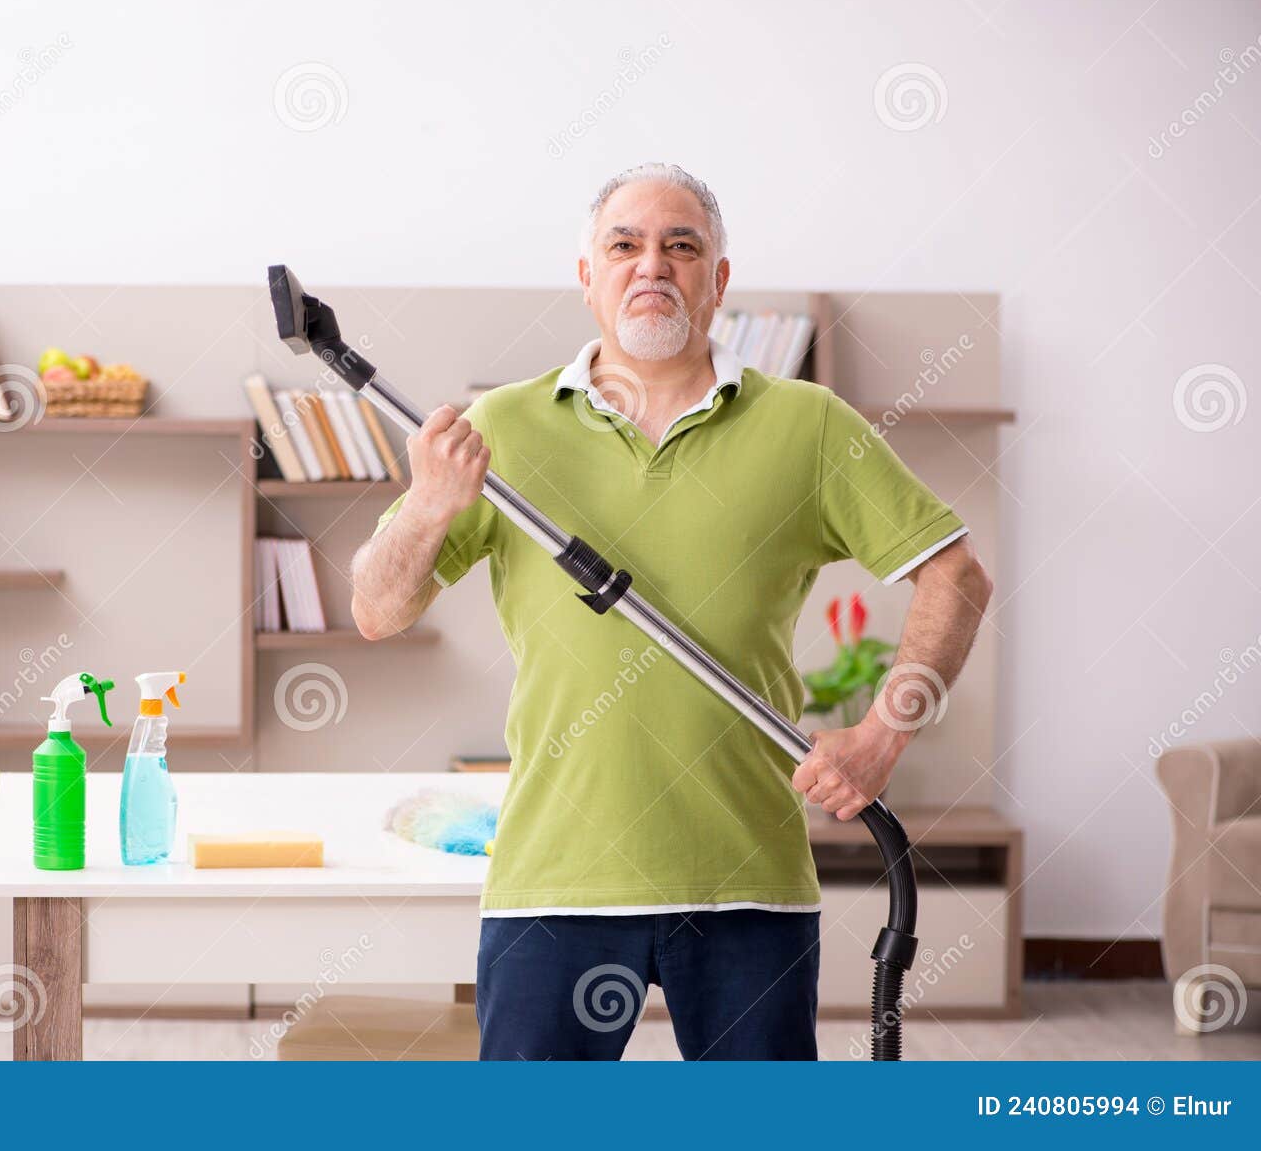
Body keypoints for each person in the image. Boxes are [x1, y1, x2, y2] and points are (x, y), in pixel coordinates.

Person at [349, 162, 993, 1060]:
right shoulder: (500, 428)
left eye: (681, 246)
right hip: (555, 885)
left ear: (718, 279)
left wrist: (886, 732)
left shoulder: (808, 425)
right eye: (624, 245)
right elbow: (377, 611)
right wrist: (425, 505)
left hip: (749, 884)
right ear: (588, 276)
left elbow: (957, 578)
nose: (652, 265)